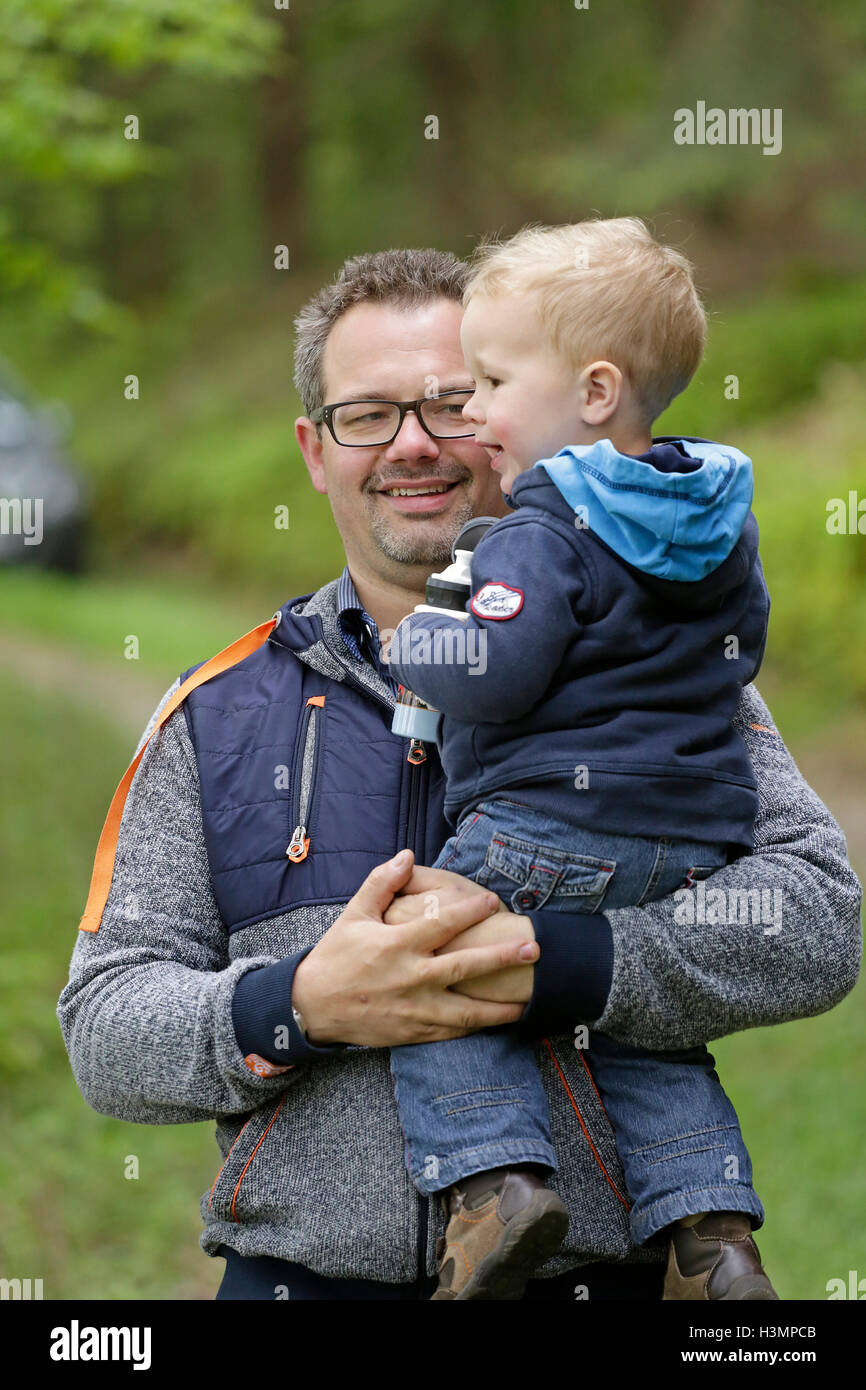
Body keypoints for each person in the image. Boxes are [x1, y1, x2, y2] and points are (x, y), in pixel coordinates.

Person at [56, 247, 862, 1302]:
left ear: (513, 415)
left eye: (452, 399)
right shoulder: (211, 714)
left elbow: (815, 922)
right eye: (367, 415)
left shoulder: (655, 669)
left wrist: (570, 964)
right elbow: (106, 1029)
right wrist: (300, 1004)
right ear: (312, 448)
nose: (415, 444)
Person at [386, 218, 774, 1300]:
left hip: (545, 826)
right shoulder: (713, 518)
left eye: (491, 380)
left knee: (430, 966)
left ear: (593, 390)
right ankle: (710, 1238)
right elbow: (740, 650)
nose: (471, 412)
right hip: (690, 838)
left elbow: (496, 672)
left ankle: (490, 1185)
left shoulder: (540, 527)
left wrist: (423, 639)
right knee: (650, 1043)